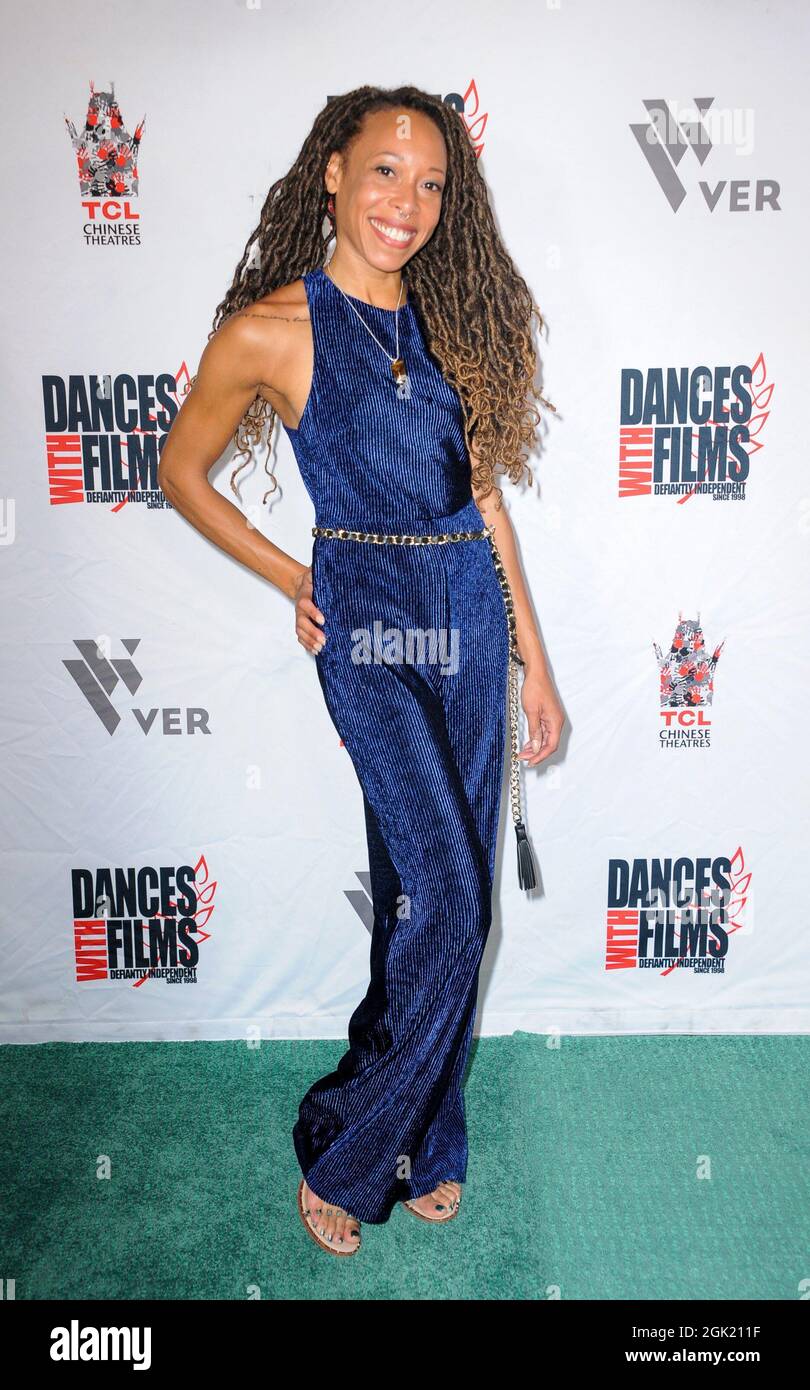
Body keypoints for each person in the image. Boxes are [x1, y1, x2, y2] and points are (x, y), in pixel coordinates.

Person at [158, 84, 564, 1257]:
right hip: (371, 625)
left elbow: (483, 498)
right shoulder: (272, 328)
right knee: (449, 897)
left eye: (433, 182)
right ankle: (350, 1139)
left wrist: (531, 660)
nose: (410, 201)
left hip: (470, 621)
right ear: (332, 172)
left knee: (429, 897)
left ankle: (427, 1135)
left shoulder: (452, 315)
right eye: (386, 170)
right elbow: (186, 470)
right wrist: (296, 576)